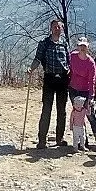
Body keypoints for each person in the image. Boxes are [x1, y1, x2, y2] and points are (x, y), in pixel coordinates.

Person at [28, 19, 70, 149]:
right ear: (51, 28)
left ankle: (59, 138)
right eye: (55, 27)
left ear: (62, 29)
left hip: (63, 79)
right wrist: (31, 69)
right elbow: (37, 59)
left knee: (61, 111)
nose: (57, 29)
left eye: (59, 27)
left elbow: (69, 61)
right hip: (49, 79)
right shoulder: (44, 43)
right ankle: (42, 140)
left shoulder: (64, 43)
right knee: (46, 109)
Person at [69, 36, 96, 151]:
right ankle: (82, 141)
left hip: (85, 91)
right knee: (78, 115)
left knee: (90, 115)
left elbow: (92, 80)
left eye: (84, 46)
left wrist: (91, 97)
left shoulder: (90, 63)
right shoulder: (72, 56)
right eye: (80, 46)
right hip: (73, 89)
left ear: (87, 47)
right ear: (77, 47)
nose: (82, 48)